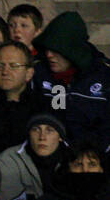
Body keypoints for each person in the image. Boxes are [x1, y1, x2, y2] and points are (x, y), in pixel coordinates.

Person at [32, 13, 110, 152]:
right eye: (47, 49)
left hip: (97, 161)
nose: (49, 55)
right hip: (49, 158)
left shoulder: (105, 75)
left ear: (72, 49)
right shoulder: (37, 72)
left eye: (56, 49)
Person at [0, 113, 69, 200]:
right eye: (36, 129)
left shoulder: (76, 161)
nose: (42, 137)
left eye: (49, 130)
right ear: (29, 134)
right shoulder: (8, 160)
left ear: (60, 137)